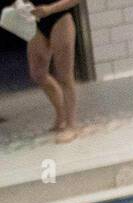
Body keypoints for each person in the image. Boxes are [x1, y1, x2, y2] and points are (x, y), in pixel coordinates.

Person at [29, 1, 80, 142]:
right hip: (38, 21)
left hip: (60, 18)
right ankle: (61, 114)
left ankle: (71, 126)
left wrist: (50, 9)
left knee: (65, 76)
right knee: (38, 73)